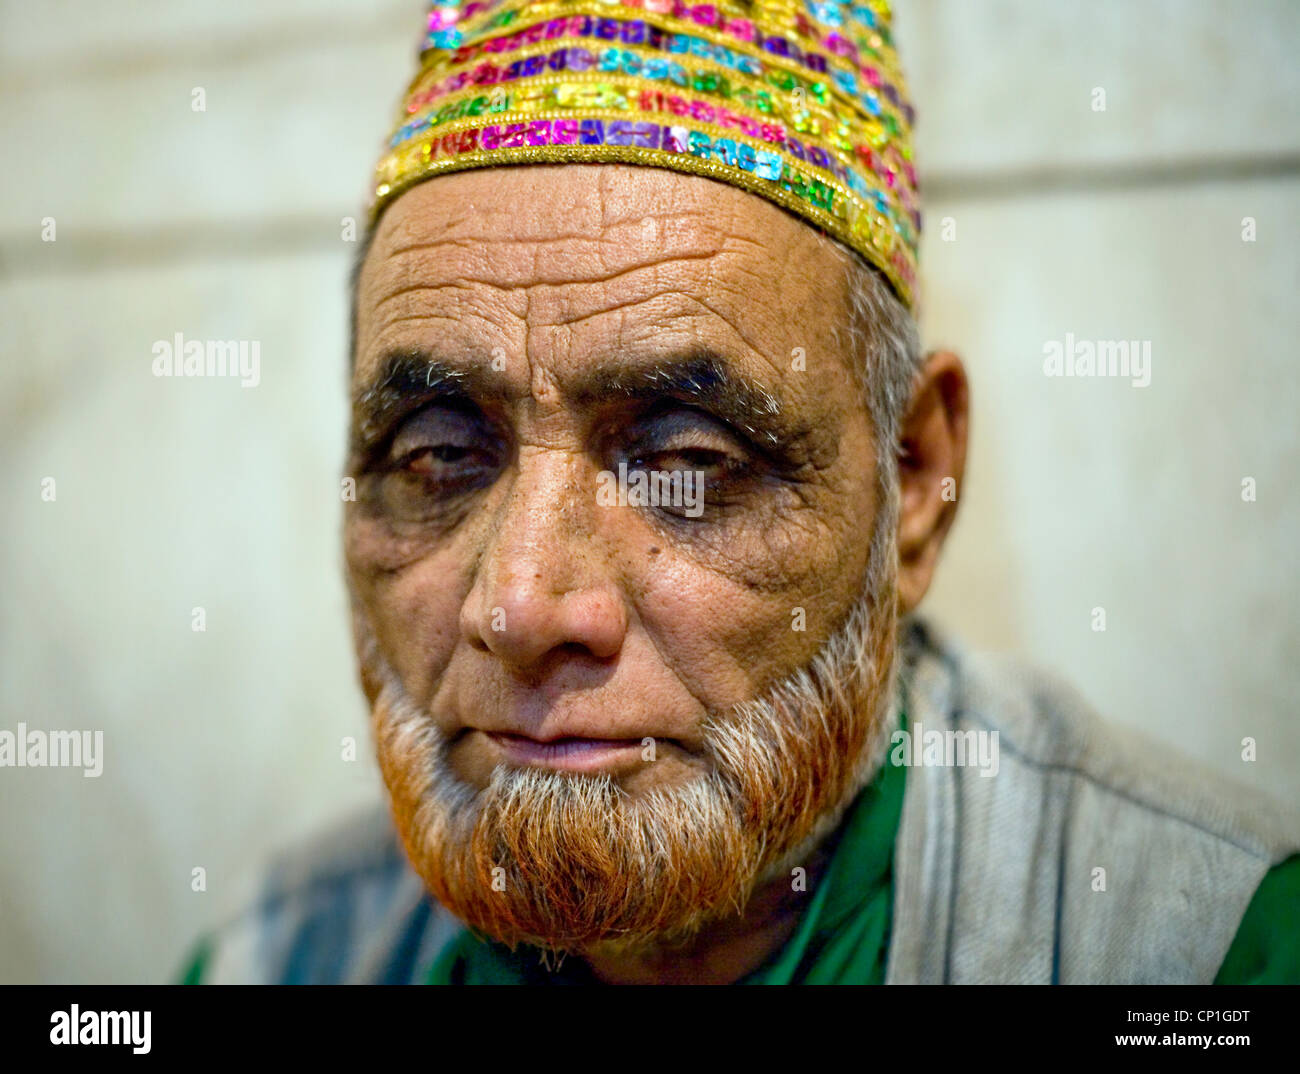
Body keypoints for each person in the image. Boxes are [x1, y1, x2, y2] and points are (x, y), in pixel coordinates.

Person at [182, 0, 1299, 985]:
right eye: (437, 456)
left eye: (684, 462)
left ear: (912, 478)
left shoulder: (1210, 945)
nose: (518, 609)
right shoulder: (270, 956)